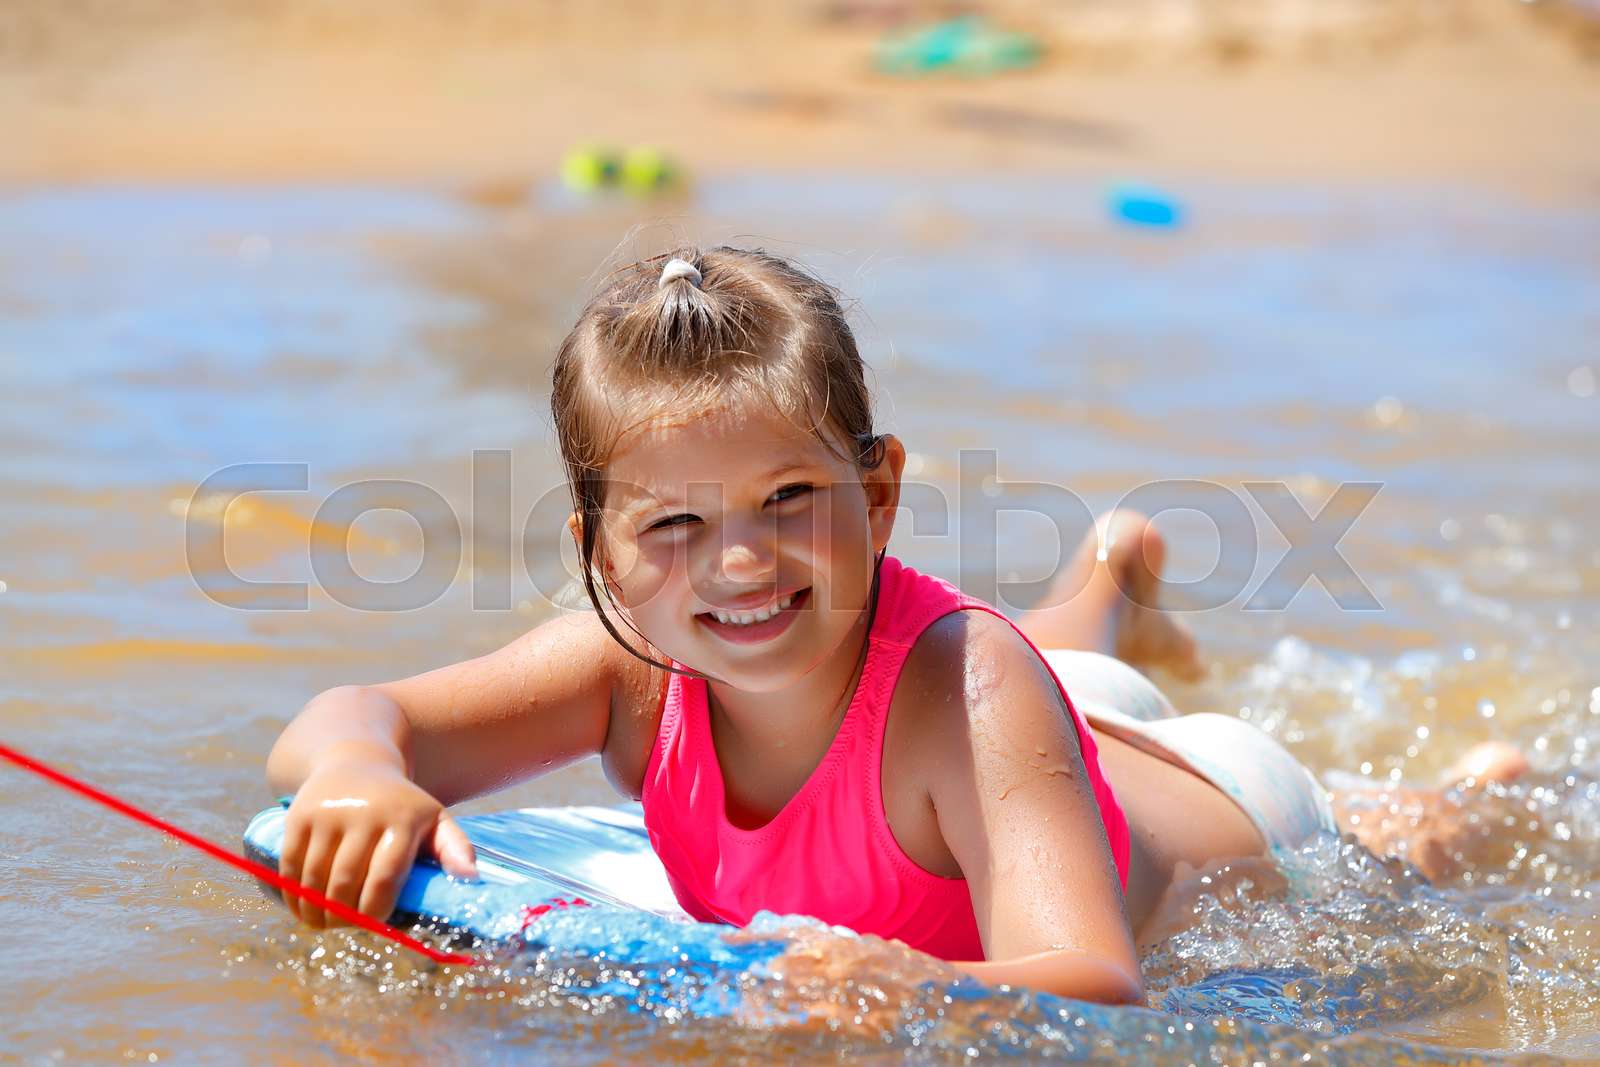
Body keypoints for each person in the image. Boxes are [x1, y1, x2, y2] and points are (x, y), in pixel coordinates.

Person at [265, 247, 1527, 1007]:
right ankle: (1110, 575)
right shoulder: (630, 665)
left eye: (788, 499)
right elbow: (347, 719)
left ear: (877, 494)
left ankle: (1464, 781)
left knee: (1419, 831)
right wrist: (357, 771)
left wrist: (902, 987)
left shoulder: (967, 688)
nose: (739, 560)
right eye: (672, 527)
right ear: (599, 546)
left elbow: (1091, 978)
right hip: (1045, 729)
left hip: (1224, 809)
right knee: (1068, 666)